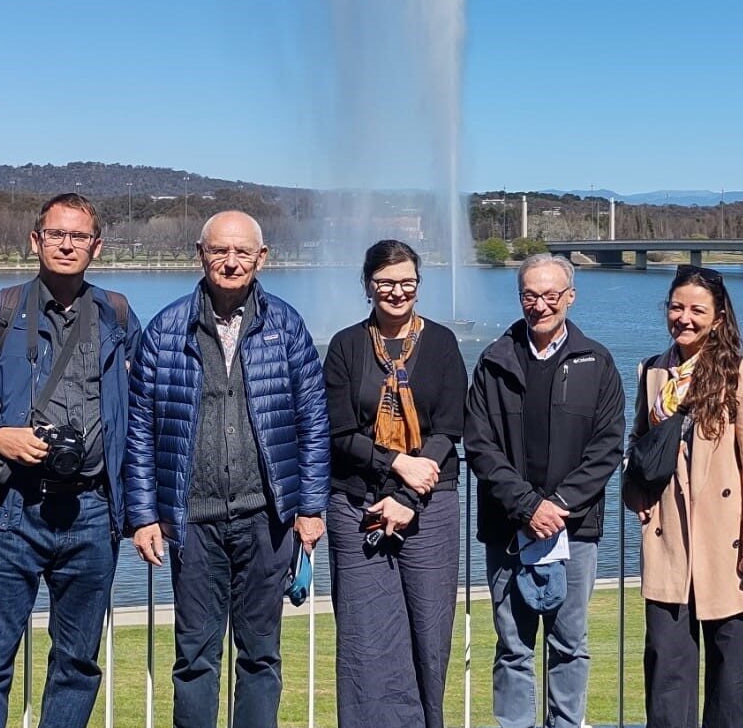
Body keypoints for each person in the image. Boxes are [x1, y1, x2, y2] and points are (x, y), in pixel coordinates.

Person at [0, 193, 138, 728]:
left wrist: (140, 510)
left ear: (96, 246)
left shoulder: (117, 314)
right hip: (9, 510)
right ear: (36, 240)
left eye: (79, 236)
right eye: (57, 234)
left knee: (76, 663)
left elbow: (140, 409)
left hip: (93, 511)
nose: (67, 244)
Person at [125, 211, 328, 728]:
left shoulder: (286, 327)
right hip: (192, 522)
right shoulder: (166, 331)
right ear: (201, 254)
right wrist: (144, 515)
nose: (231, 261)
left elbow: (312, 421)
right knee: (195, 657)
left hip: (268, 518)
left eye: (243, 252)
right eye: (220, 250)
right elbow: (141, 429)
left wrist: (310, 507)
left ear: (262, 259)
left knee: (260, 654)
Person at [463, 253, 625, 728]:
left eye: (551, 295)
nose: (540, 305)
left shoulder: (597, 362)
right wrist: (528, 507)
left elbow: (608, 445)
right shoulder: (494, 361)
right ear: (520, 298)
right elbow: (479, 443)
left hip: (574, 531)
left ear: (570, 297)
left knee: (570, 643)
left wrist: (558, 505)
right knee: (513, 644)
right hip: (508, 527)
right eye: (531, 295)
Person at [626, 264, 743, 728]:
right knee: (666, 677)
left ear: (718, 317)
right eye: (677, 307)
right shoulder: (652, 372)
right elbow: (638, 444)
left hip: (729, 549)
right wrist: (638, 498)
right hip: (669, 542)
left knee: (731, 686)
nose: (685, 318)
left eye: (697, 309)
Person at [323, 239, 468, 728]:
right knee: (366, 638)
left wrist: (408, 494)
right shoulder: (346, 345)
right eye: (386, 282)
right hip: (356, 502)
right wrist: (396, 464)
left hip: (430, 506)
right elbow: (339, 431)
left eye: (407, 282)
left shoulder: (443, 343)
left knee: (429, 631)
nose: (397, 291)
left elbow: (450, 427)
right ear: (368, 285)